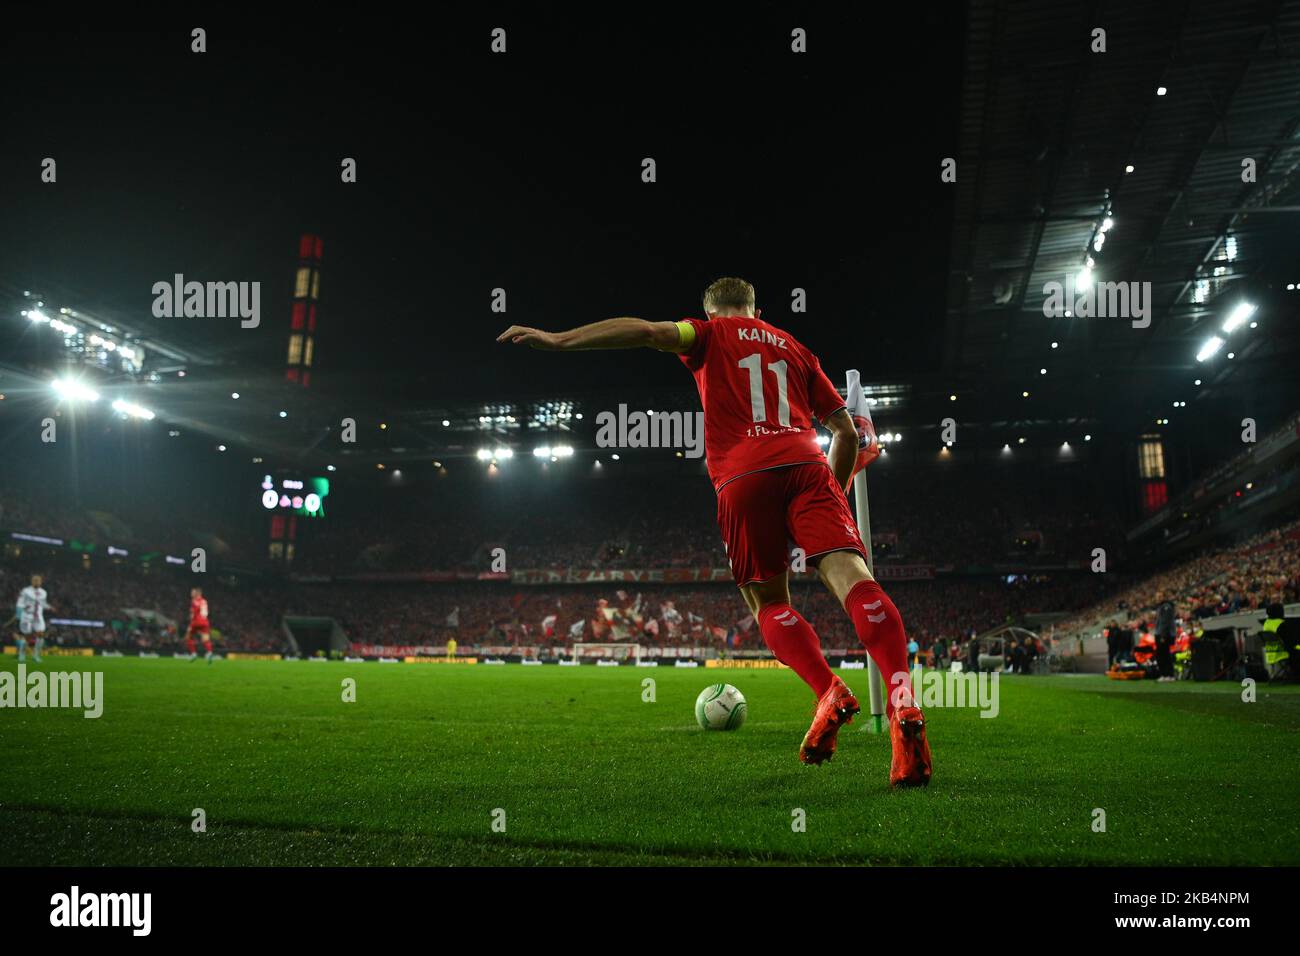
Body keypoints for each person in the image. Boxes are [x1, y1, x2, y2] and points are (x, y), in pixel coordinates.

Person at [497, 276, 931, 787]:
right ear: (756, 309)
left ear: (709, 310)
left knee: (770, 603)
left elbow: (646, 331)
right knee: (855, 579)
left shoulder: (706, 334)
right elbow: (846, 433)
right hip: (807, 465)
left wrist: (559, 339)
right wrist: (830, 495)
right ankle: (903, 699)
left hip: (743, 477)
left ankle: (828, 689)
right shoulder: (795, 347)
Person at [13, 574, 53, 664]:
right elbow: (19, 603)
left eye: (38, 580)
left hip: (38, 616)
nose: (36, 582)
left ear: (41, 582)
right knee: (27, 637)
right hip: (27, 615)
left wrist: (50, 607)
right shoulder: (25, 591)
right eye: (35, 580)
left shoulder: (43, 592)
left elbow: (43, 604)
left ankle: (36, 655)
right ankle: (22, 654)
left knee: (41, 634)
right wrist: (19, 613)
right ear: (32, 581)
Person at [185, 587, 214, 663]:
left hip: (196, 622)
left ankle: (193, 653)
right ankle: (209, 652)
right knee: (206, 639)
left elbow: (193, 614)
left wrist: (190, 624)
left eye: (192, 592)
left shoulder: (194, 601)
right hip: (205, 622)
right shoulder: (204, 601)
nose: (191, 593)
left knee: (188, 637)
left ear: (197, 593)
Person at [1154, 596, 1176, 682]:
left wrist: (1163, 635)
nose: (1157, 599)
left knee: (1162, 654)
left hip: (1163, 634)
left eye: (1159, 596)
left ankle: (1166, 674)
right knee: (1164, 654)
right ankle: (1167, 674)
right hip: (1162, 633)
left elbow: (1165, 622)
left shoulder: (1166, 607)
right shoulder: (1162, 607)